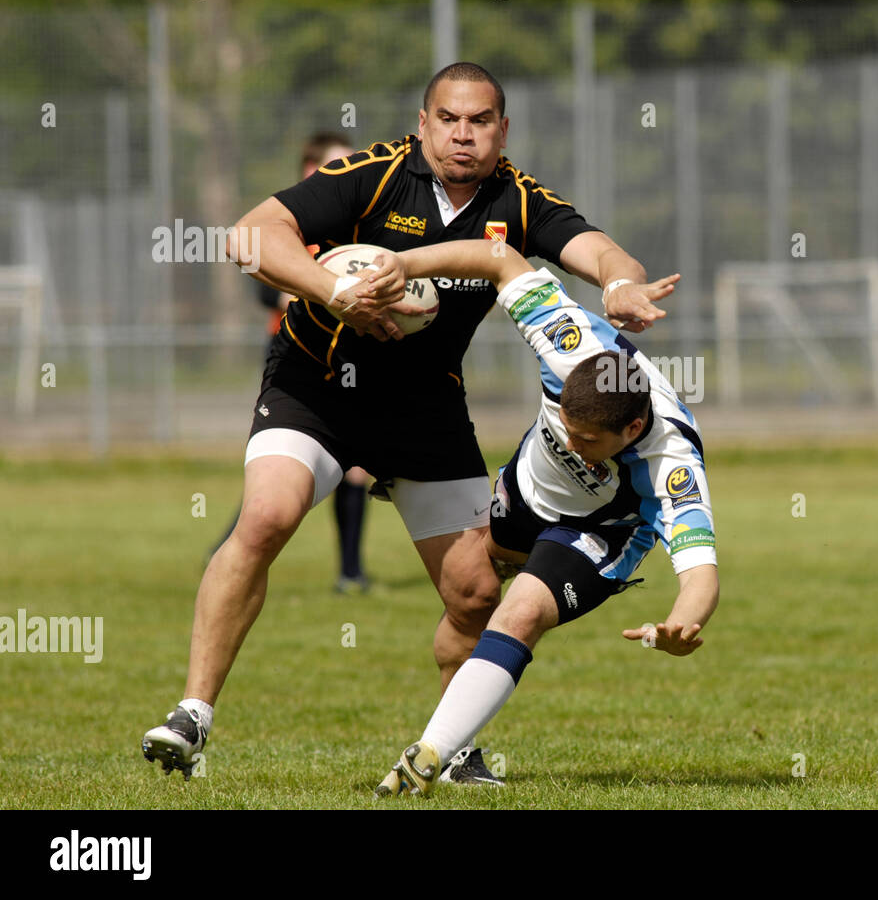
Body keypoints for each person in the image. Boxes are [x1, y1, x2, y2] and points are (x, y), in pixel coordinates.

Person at [141, 62, 674, 784]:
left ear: (502, 130)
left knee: (475, 592)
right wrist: (336, 291)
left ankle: (451, 749)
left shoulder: (518, 201)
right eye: (448, 120)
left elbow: (602, 251)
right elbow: (248, 235)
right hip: (317, 388)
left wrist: (619, 282)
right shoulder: (375, 175)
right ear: (423, 124)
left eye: (479, 121)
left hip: (425, 407)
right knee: (267, 515)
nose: (463, 135)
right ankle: (192, 715)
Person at [355, 239, 717, 793]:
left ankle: (428, 756)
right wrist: (405, 264)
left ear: (633, 431)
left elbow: (701, 574)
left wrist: (683, 623)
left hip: (598, 533)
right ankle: (462, 754)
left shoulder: (671, 460)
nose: (573, 442)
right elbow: (498, 258)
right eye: (567, 427)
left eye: (587, 440)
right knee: (471, 598)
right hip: (523, 493)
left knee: (519, 613)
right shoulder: (567, 341)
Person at [209, 132, 374, 594]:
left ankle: (351, 572)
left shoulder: (358, 224)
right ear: (309, 168)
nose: (348, 172)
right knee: (281, 471)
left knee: (355, 465)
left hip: (350, 357)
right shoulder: (293, 219)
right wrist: (306, 290)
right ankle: (231, 547)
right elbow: (258, 275)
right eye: (337, 164)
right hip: (294, 357)